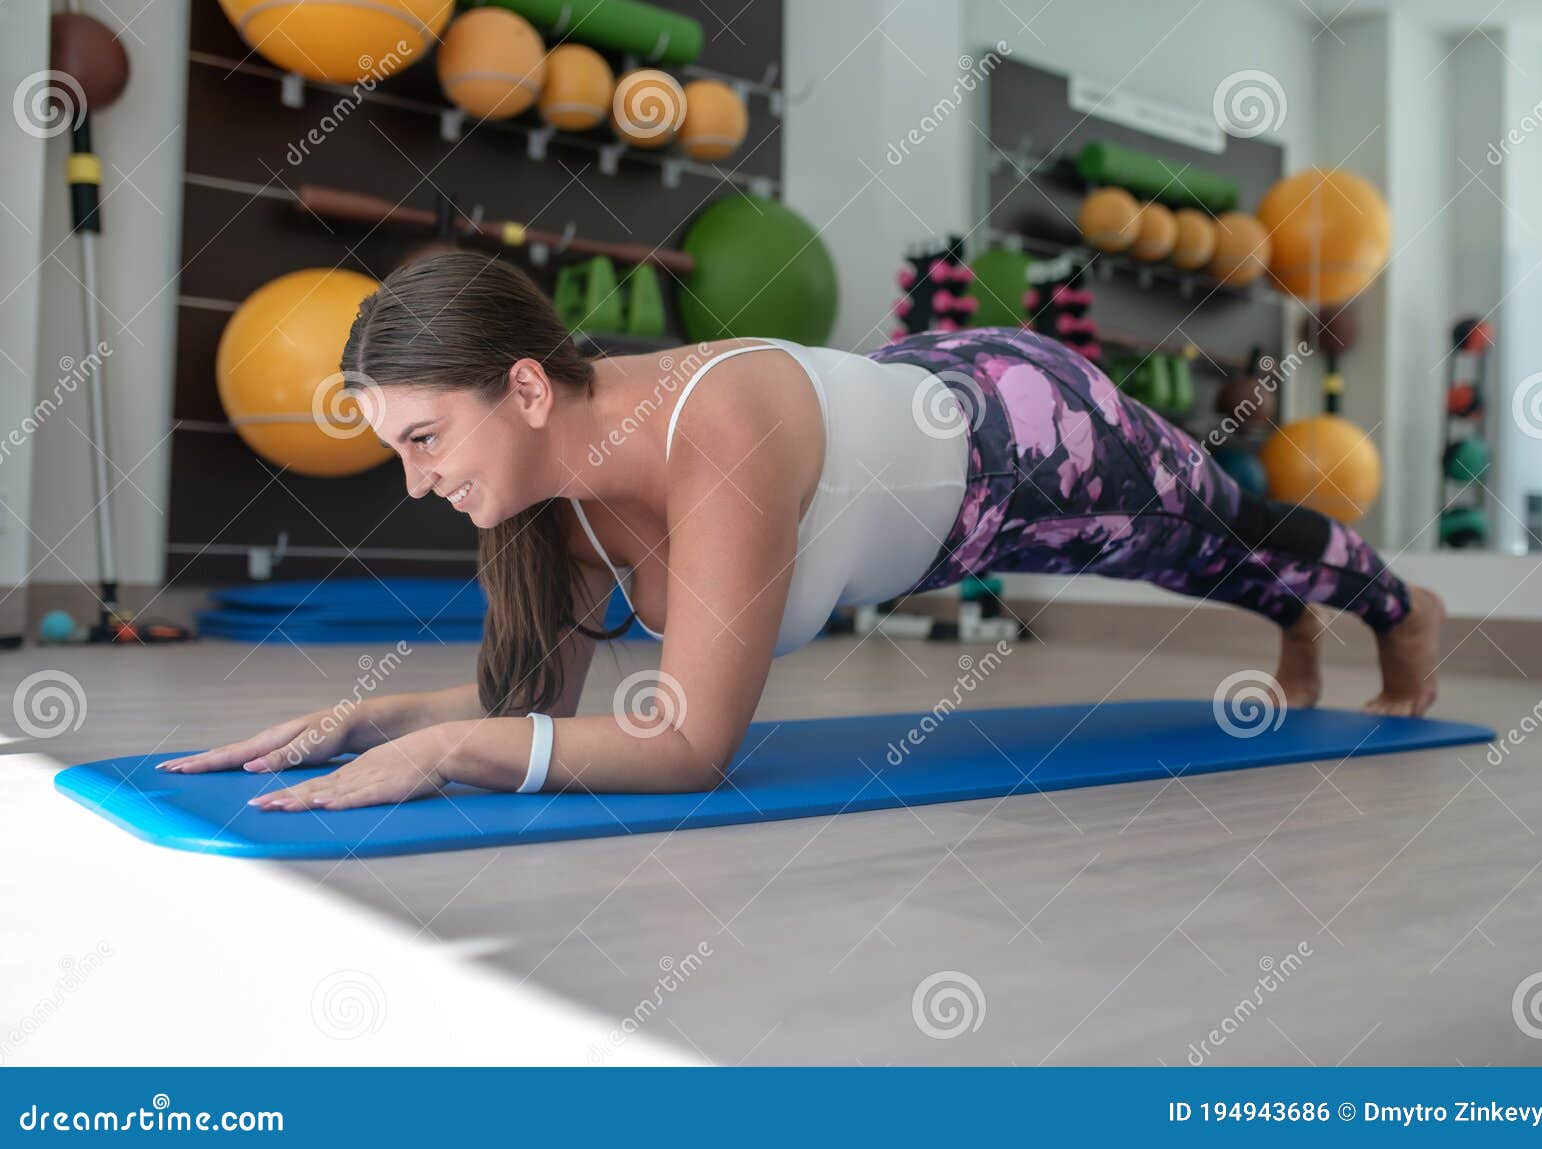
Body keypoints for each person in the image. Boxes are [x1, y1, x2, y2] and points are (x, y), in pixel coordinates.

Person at [160, 253, 1443, 809]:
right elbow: (535, 704)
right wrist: (376, 716)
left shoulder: (716, 431)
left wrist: (448, 749)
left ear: (530, 389)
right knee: (1209, 559)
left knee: (1208, 524)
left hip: (1023, 431)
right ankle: (1283, 610)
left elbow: (686, 745)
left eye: (424, 438)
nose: (412, 481)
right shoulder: (543, 505)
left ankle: (1392, 609)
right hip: (912, 427)